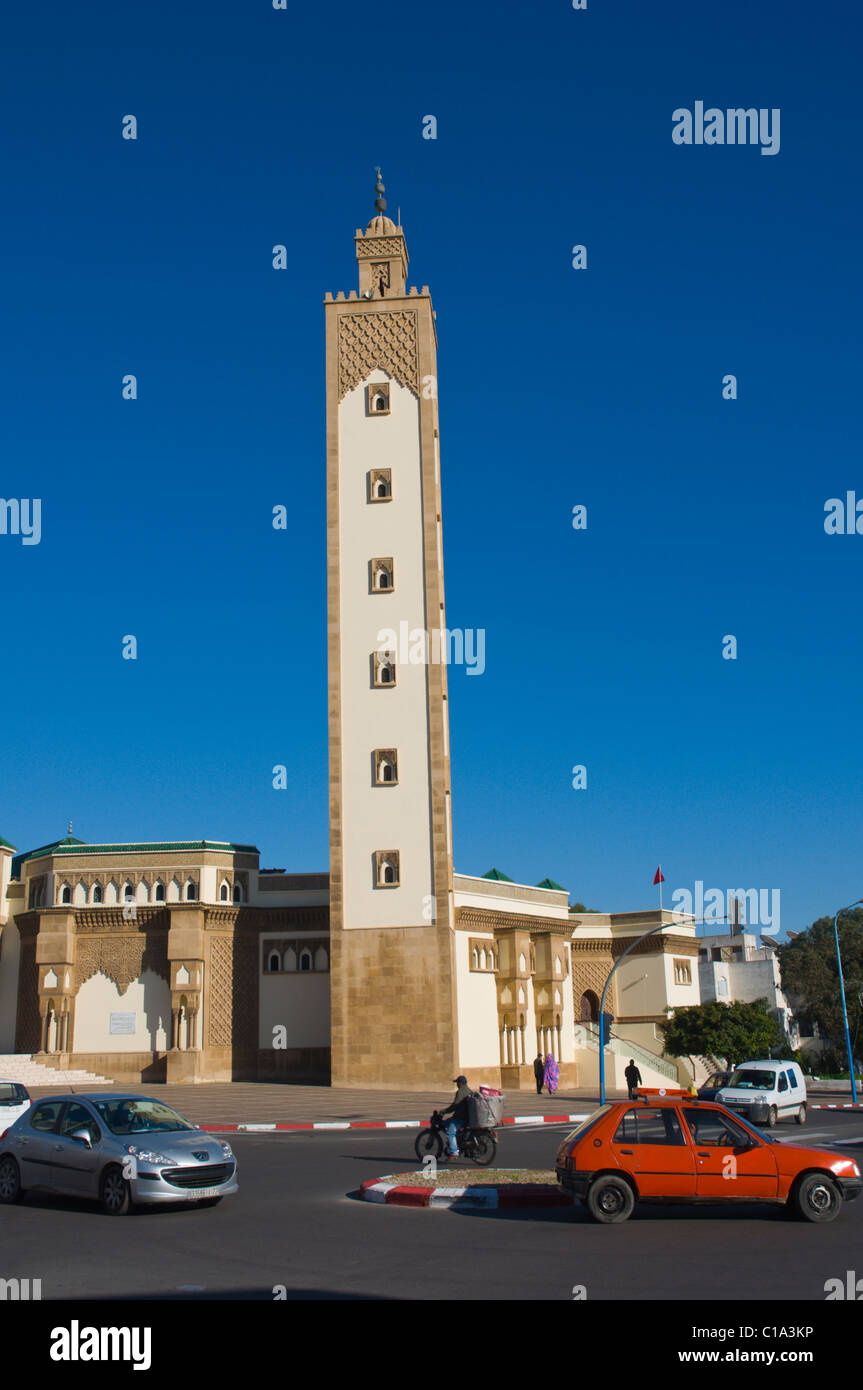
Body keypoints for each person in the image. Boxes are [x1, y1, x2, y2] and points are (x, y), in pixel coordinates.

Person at [439, 1075, 472, 1157]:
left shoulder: (460, 1091)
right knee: (449, 1123)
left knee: (451, 1132)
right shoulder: (469, 1090)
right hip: (466, 1117)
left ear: (461, 1083)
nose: (457, 1084)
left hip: (460, 1117)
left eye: (457, 1082)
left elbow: (455, 1106)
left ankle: (454, 1151)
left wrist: (445, 1111)